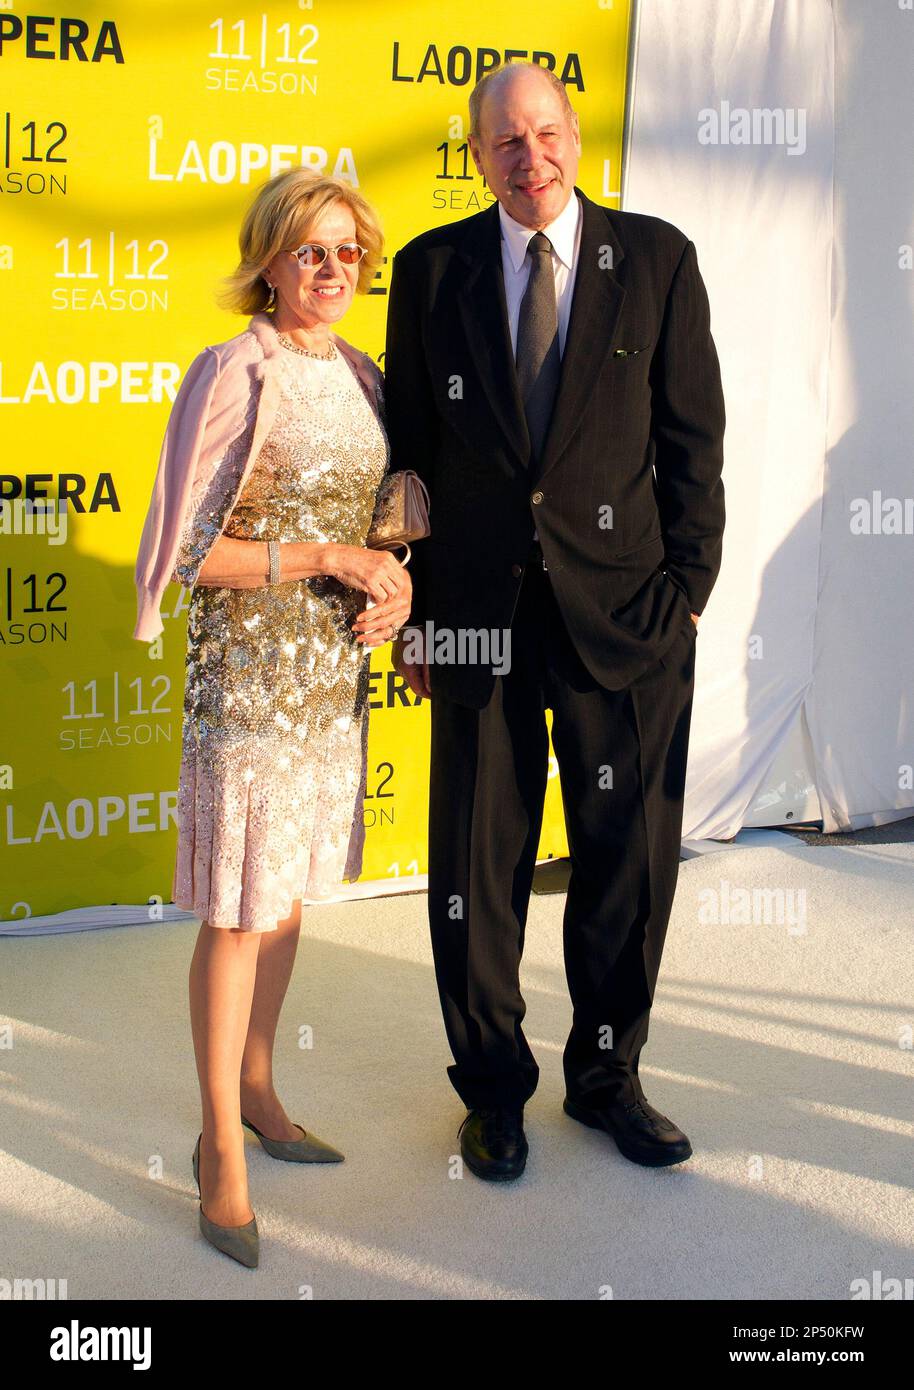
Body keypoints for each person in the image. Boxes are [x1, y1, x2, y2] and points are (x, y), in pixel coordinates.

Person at [385, 62, 725, 1180]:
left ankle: (605, 1076)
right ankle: (489, 1090)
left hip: (623, 619)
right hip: (477, 620)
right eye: (502, 144)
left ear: (574, 136)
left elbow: (692, 444)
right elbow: (408, 466)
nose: (527, 161)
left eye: (543, 136)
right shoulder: (430, 272)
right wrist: (417, 616)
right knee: (475, 866)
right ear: (474, 155)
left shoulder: (657, 260)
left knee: (623, 862)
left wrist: (683, 594)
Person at [133, 169, 410, 1264]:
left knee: (286, 899)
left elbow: (379, 525)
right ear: (267, 261)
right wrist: (326, 556)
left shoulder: (361, 373)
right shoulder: (230, 371)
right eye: (308, 251)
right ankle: (217, 1149)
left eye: (346, 251)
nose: (330, 269)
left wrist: (390, 586)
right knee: (240, 914)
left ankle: (258, 1088)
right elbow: (191, 554)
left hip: (325, 687)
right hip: (246, 682)